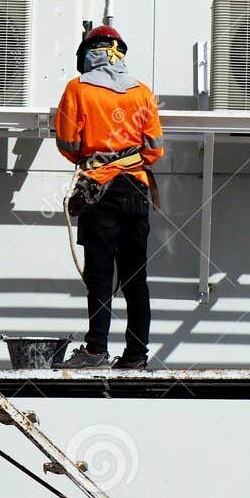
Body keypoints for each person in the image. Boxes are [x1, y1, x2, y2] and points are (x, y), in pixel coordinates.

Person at [53, 24, 163, 370]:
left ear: (88, 54)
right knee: (135, 277)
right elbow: (155, 149)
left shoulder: (78, 89)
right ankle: (136, 355)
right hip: (136, 187)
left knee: (101, 272)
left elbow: (68, 145)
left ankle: (96, 350)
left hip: (99, 189)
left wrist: (95, 155)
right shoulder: (142, 93)